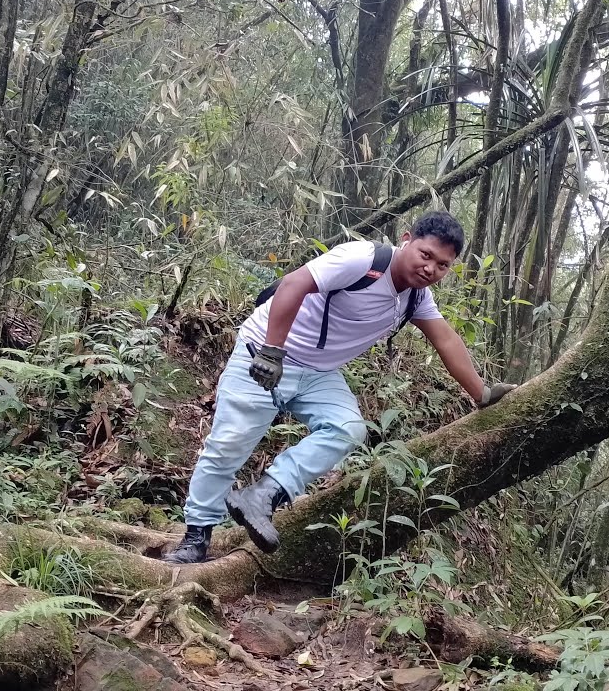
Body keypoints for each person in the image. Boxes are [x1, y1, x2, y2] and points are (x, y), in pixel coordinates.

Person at [163, 211, 518, 564]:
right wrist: (272, 352)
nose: (431, 269)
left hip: (318, 373)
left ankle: (264, 494)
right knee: (228, 446)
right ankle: (196, 538)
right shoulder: (363, 260)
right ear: (406, 240)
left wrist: (481, 394)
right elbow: (294, 284)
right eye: (426, 255)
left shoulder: (416, 299)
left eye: (442, 265)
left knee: (347, 428)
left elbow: (446, 340)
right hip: (265, 352)